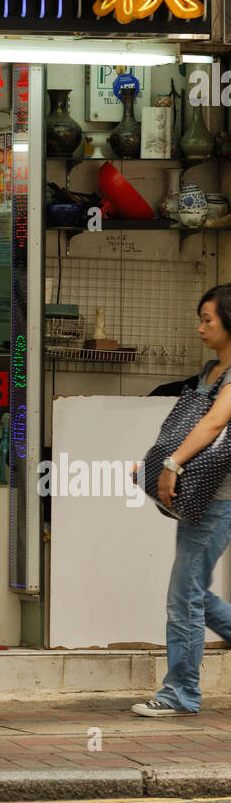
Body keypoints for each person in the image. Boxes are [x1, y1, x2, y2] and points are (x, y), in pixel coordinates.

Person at [131, 284, 231, 717]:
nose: (201, 327)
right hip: (204, 493)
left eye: (208, 318)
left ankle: (181, 693)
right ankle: (180, 691)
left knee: (183, 593)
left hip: (220, 496)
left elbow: (213, 423)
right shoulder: (211, 370)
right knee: (189, 591)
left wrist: (171, 464)